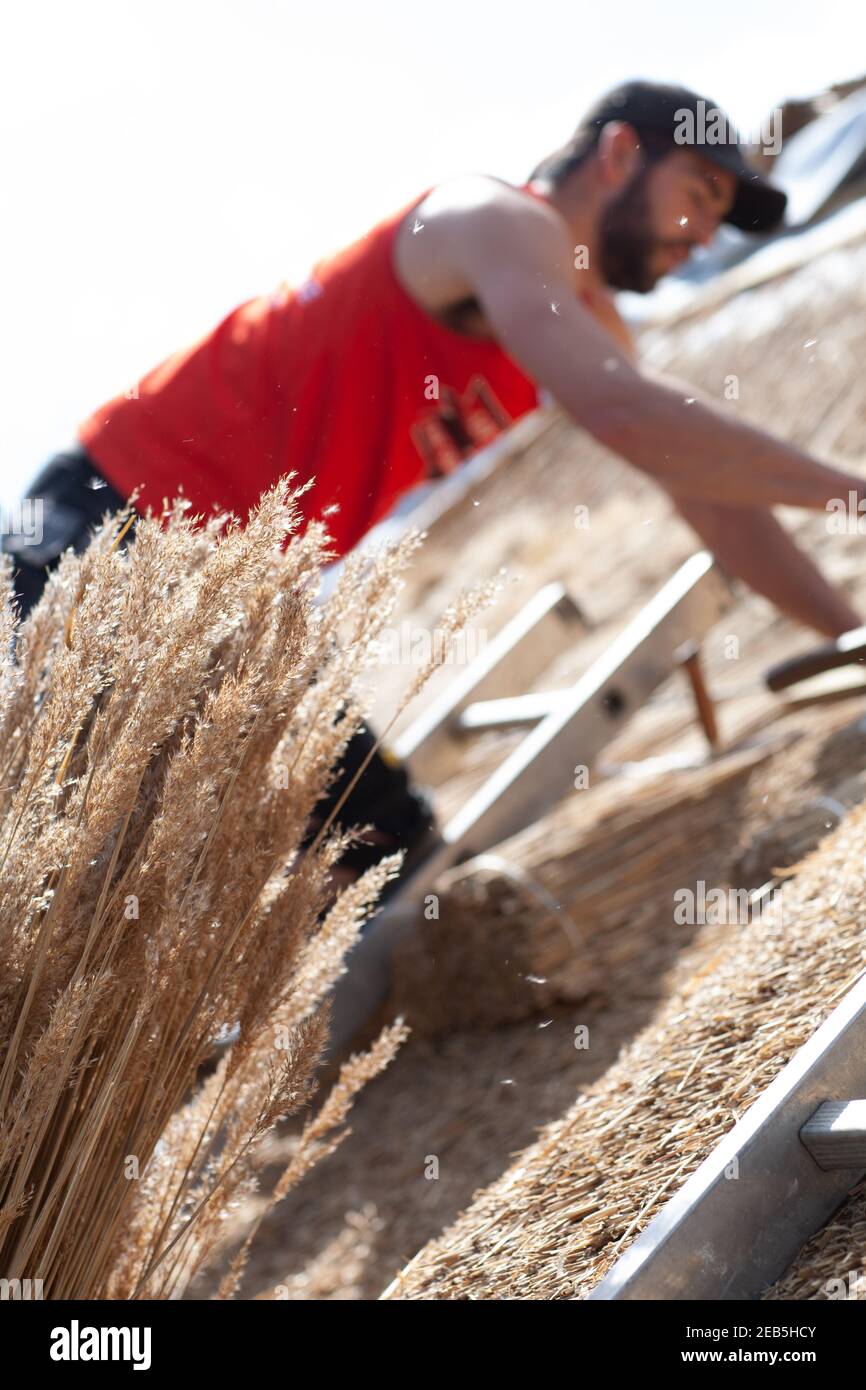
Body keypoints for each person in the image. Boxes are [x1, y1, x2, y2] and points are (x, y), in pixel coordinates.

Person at [6, 80, 864, 892]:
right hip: (111, 522)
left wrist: (851, 635)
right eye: (701, 193)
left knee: (380, 855)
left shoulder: (581, 316)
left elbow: (709, 493)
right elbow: (626, 412)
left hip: (232, 601)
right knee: (76, 854)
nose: (704, 236)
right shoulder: (493, 220)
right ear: (619, 153)